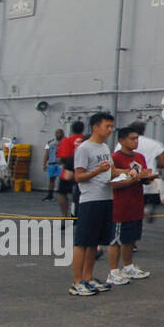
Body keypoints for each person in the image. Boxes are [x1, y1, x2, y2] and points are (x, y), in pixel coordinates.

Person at [71, 113, 116, 296]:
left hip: (106, 197)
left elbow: (111, 170)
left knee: (94, 242)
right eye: (107, 126)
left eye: (111, 126)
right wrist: (98, 170)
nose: (110, 129)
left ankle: (88, 277)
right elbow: (78, 176)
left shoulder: (104, 147)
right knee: (82, 242)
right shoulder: (84, 148)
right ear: (95, 127)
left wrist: (132, 172)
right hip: (90, 199)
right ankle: (76, 281)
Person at [107, 126, 154, 285]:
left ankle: (128, 267)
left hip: (136, 202)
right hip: (121, 205)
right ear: (121, 140)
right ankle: (113, 271)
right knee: (116, 239)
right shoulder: (115, 158)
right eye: (132, 138)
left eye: (137, 138)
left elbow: (141, 177)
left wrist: (146, 178)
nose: (136, 141)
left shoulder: (139, 157)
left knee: (130, 238)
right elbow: (113, 184)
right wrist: (133, 178)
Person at [128, 122, 164, 225]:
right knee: (150, 198)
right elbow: (163, 162)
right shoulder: (155, 144)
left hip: (132, 178)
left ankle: (140, 214)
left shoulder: (124, 144)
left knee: (132, 205)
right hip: (150, 177)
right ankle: (147, 208)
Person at [55, 121, 85, 219]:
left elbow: (63, 157)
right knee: (82, 193)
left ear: (72, 129)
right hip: (84, 168)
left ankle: (65, 216)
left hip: (70, 167)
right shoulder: (87, 140)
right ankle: (81, 215)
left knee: (62, 192)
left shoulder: (67, 141)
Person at [43, 128, 63, 202]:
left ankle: (63, 194)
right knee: (51, 180)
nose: (59, 134)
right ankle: (50, 195)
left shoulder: (66, 142)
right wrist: (44, 164)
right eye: (57, 132)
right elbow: (46, 154)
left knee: (63, 179)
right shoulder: (50, 142)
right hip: (52, 163)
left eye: (60, 133)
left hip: (61, 163)